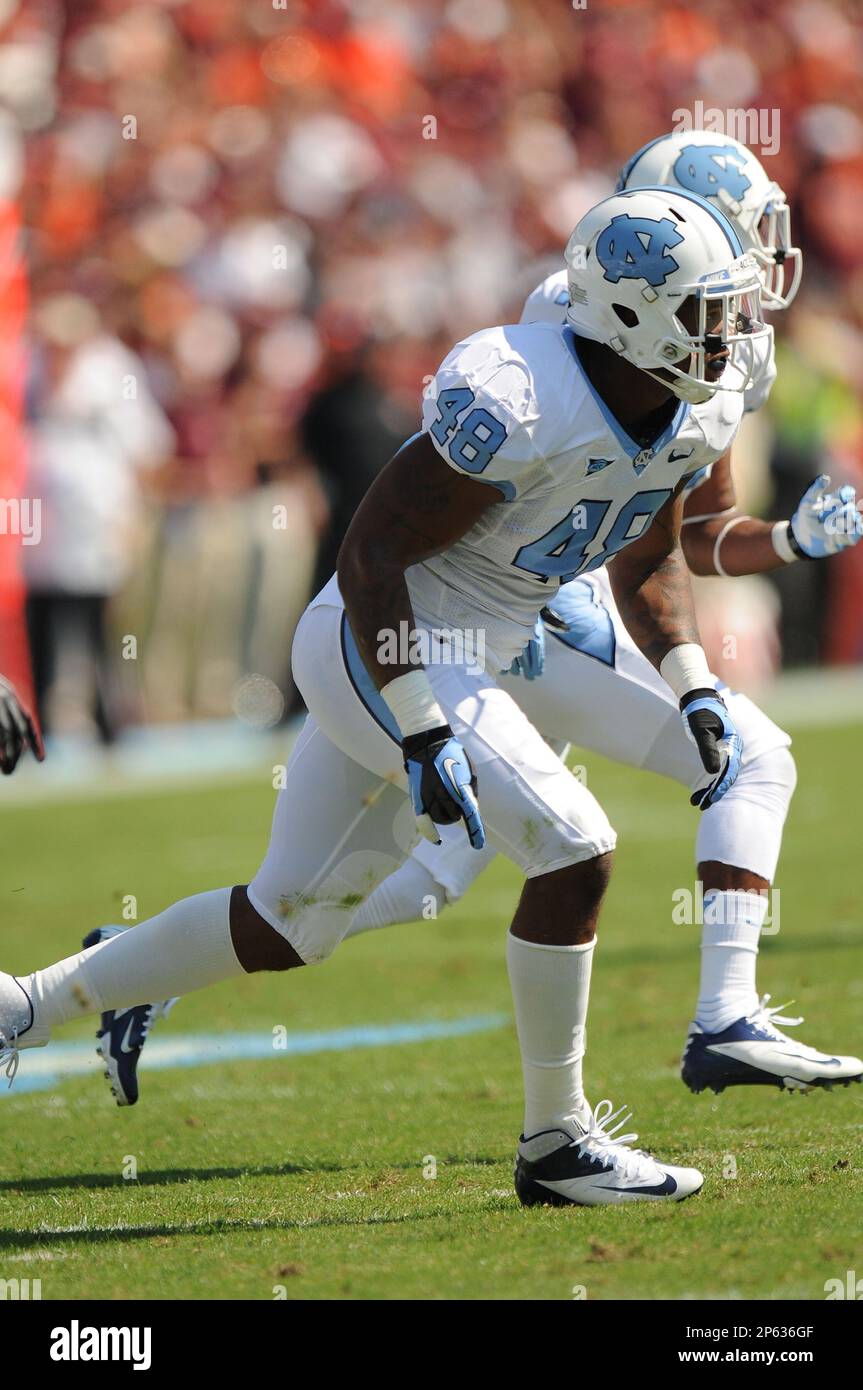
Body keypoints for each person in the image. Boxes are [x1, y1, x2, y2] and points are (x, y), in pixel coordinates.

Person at [2, 186, 770, 1206]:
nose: (725, 333)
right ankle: (555, 1142)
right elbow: (372, 555)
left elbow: (647, 551)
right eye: (700, 312)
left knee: (287, 923)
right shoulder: (522, 394)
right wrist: (416, 725)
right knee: (574, 849)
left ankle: (20, 1005)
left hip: (472, 649)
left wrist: (691, 680)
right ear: (627, 317)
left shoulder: (691, 402)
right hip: (386, 634)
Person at [99, 133, 863, 1110]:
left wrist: (788, 542)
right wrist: (429, 705)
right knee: (497, 861)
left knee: (380, 893)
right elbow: (524, 520)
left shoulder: (718, 345)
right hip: (514, 611)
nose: (761, 265)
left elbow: (677, 535)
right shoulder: (565, 340)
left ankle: (722, 1019)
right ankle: (599, 1104)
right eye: (743, 236)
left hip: (544, 602)